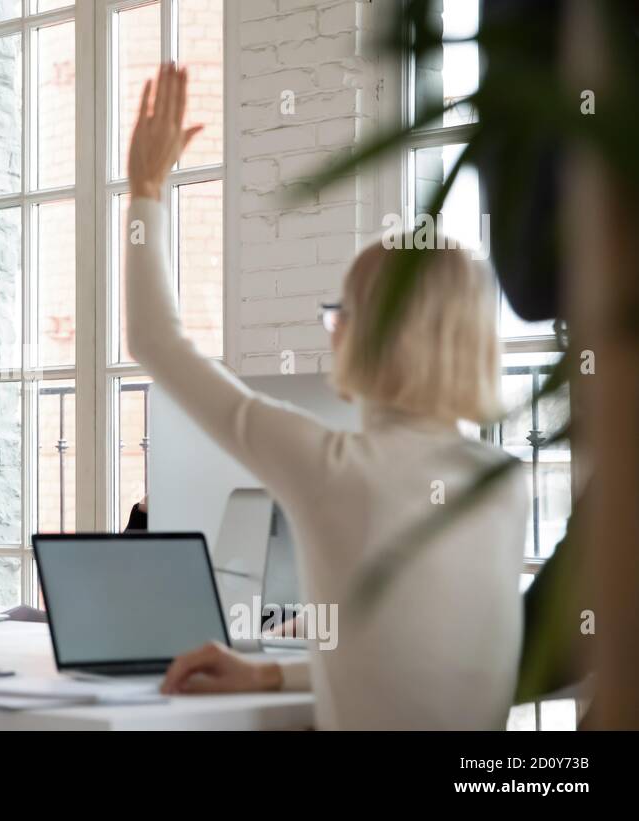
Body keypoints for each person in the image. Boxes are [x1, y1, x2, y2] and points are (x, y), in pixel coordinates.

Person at [126, 64, 527, 729]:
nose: (332, 330)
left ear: (369, 334)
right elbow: (422, 668)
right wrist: (271, 670)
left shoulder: (332, 468)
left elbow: (155, 340)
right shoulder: (503, 481)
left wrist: (145, 188)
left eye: (341, 313)